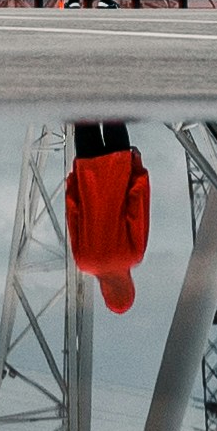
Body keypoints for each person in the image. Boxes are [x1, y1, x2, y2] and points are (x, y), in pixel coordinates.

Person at [64, 120, 151, 310]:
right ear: (106, 293)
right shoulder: (84, 263)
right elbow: (73, 214)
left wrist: (137, 167)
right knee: (84, 112)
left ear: (130, 287)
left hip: (119, 164)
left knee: (113, 108)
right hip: (87, 168)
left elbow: (136, 209)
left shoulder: (133, 255)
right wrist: (74, 179)